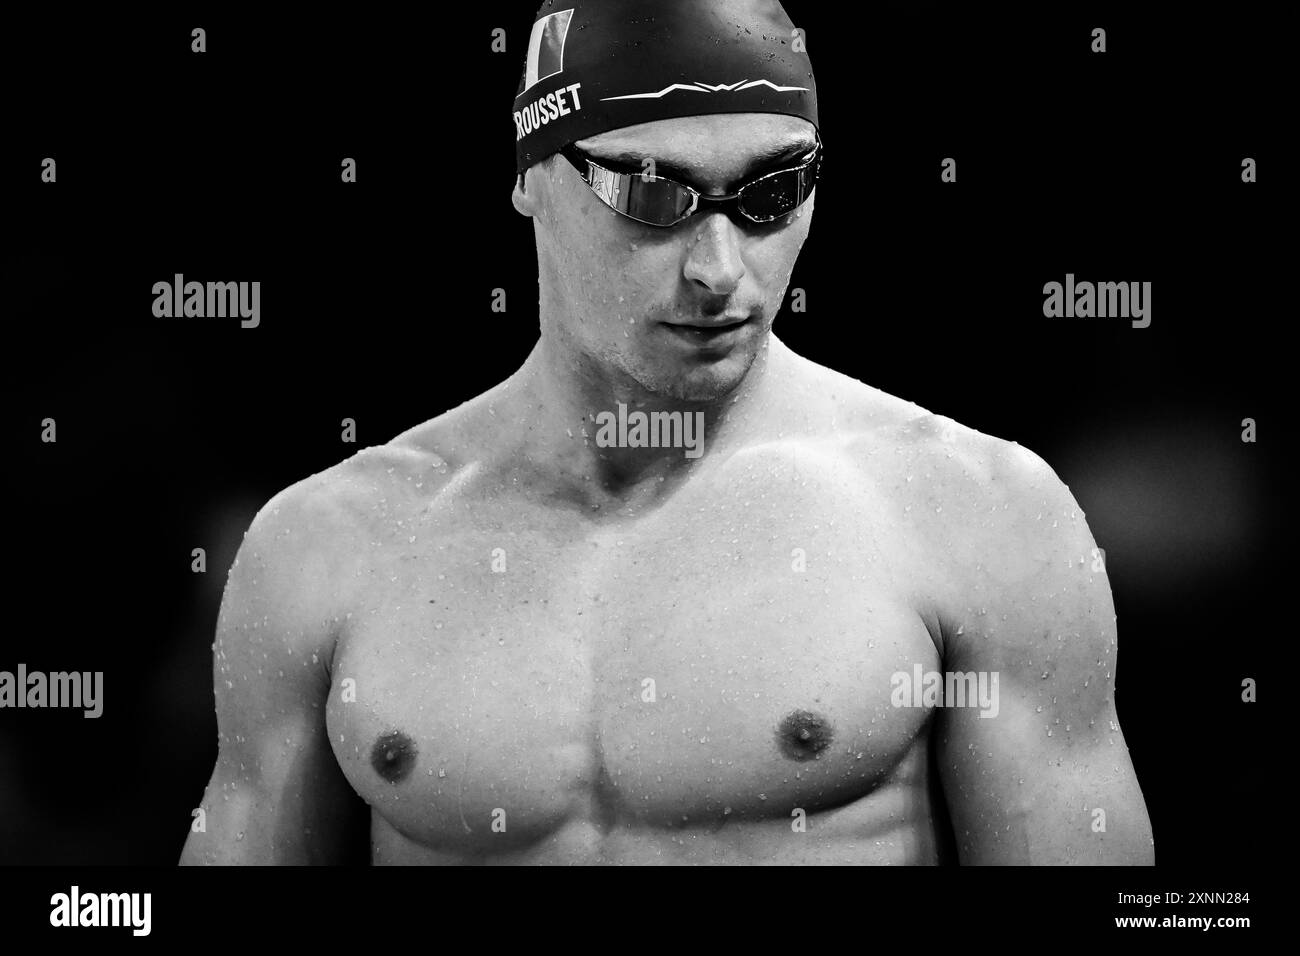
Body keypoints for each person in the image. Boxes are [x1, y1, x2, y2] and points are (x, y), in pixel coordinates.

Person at [180, 0, 1153, 865]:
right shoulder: (325, 549)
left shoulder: (974, 514)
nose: (720, 269)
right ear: (529, 170)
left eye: (773, 192)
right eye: (654, 195)